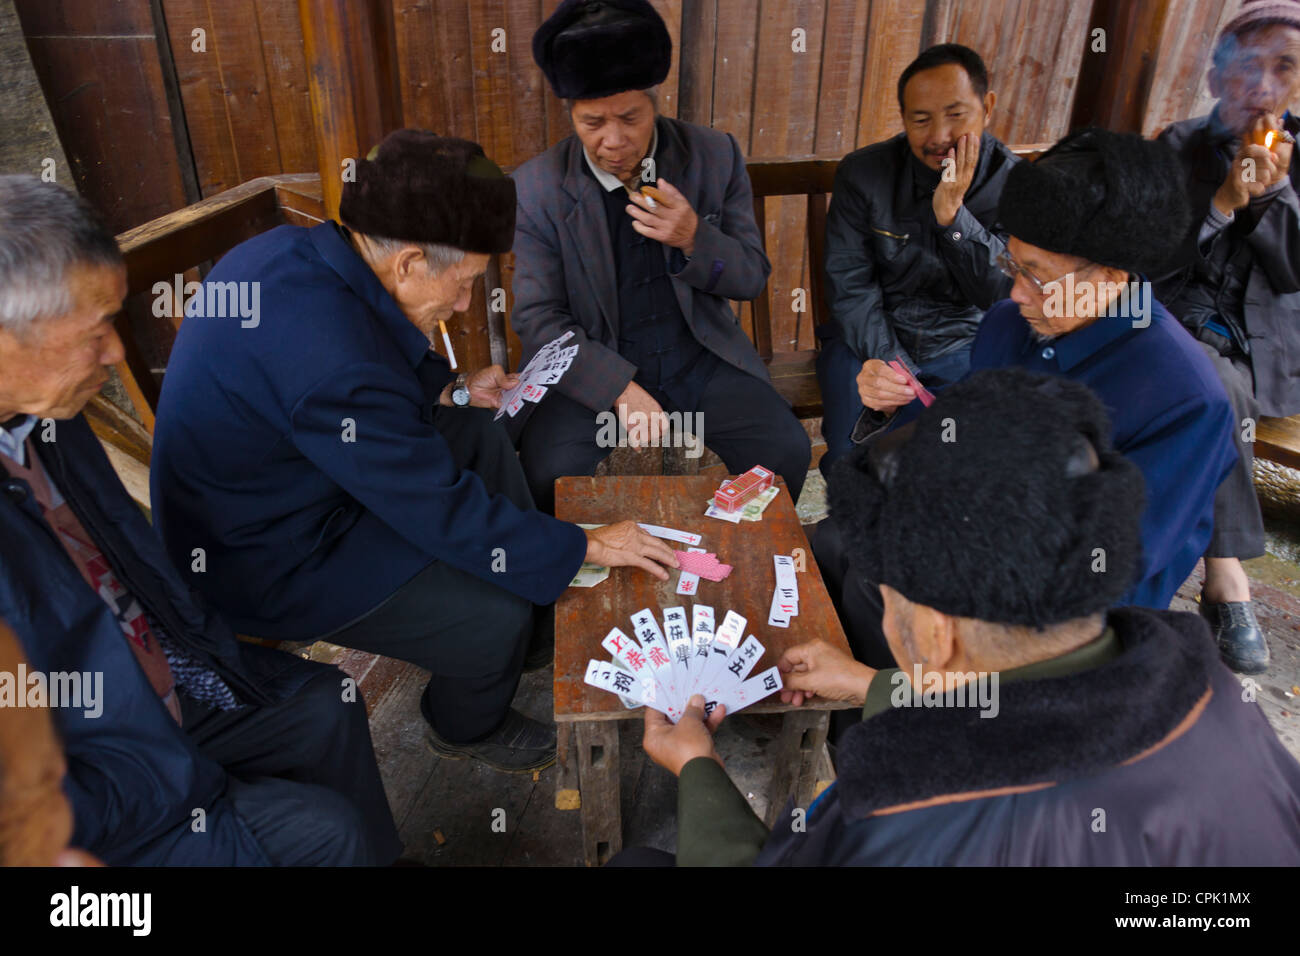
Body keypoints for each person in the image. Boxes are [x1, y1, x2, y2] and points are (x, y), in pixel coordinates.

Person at [151, 131, 679, 776]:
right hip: (266, 550)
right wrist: (588, 544)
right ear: (407, 263)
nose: (463, 305)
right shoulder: (331, 363)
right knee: (492, 614)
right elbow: (435, 505)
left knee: (478, 431)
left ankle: (534, 615)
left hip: (304, 479)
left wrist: (451, 387)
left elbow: (370, 352)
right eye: (463, 285)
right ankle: (463, 722)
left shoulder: (293, 252)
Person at [633, 369, 1300, 866]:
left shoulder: (903, 813)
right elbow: (1047, 709)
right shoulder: (1223, 704)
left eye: (888, 599)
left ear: (933, 631)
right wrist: (873, 683)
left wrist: (697, 767)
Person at [0, 175, 401, 865]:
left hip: (162, 682)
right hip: (97, 788)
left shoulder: (45, 419)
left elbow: (128, 571)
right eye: (96, 328)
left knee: (324, 703)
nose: (116, 353)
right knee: (327, 833)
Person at [818, 128, 1237, 669]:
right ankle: (849, 711)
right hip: (976, 531)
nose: (1016, 294)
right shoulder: (1009, 326)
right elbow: (962, 424)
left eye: (1036, 276)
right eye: (1012, 266)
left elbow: (1115, 561)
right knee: (829, 544)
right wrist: (891, 401)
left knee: (881, 584)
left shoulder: (1185, 397)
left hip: (1068, 610)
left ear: (1111, 278)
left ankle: (895, 720)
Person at [512, 0, 811, 513]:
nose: (613, 141)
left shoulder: (713, 156)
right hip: (596, 366)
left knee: (784, 450)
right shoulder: (537, 188)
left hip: (700, 359)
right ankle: (560, 587)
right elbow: (540, 319)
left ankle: (736, 568)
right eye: (592, 122)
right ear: (571, 114)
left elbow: (750, 278)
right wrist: (617, 389)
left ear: (655, 101)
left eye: (630, 117)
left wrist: (696, 237)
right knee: (546, 472)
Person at [1151, 0, 1300, 674]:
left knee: (1217, 381)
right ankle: (1226, 575)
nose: (1264, 86)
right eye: (1249, 66)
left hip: (1263, 341)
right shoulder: (1176, 147)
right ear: (1219, 77)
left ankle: (1199, 569)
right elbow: (1142, 260)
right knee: (1208, 379)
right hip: (1169, 318)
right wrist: (1222, 204)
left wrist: (1273, 200)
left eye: (1286, 67)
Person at [818, 43, 1019, 475]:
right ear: (904, 119)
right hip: (870, 339)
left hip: (966, 340)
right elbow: (850, 286)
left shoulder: (1015, 182)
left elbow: (1005, 294)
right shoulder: (864, 173)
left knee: (969, 463)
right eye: (921, 119)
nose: (939, 136)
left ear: (987, 107)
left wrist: (953, 218)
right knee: (852, 462)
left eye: (956, 114)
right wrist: (893, 365)